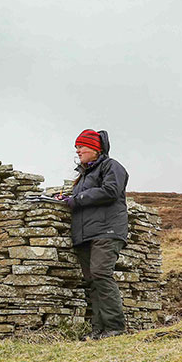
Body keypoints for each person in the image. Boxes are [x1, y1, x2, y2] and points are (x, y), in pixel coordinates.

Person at [57, 129, 129, 339]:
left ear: (95, 148)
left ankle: (115, 327)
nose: (77, 151)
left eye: (81, 146)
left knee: (100, 274)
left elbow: (111, 191)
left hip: (106, 230)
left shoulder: (111, 166)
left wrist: (77, 199)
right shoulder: (83, 175)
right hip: (86, 234)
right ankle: (98, 330)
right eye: (76, 147)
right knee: (92, 281)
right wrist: (67, 198)